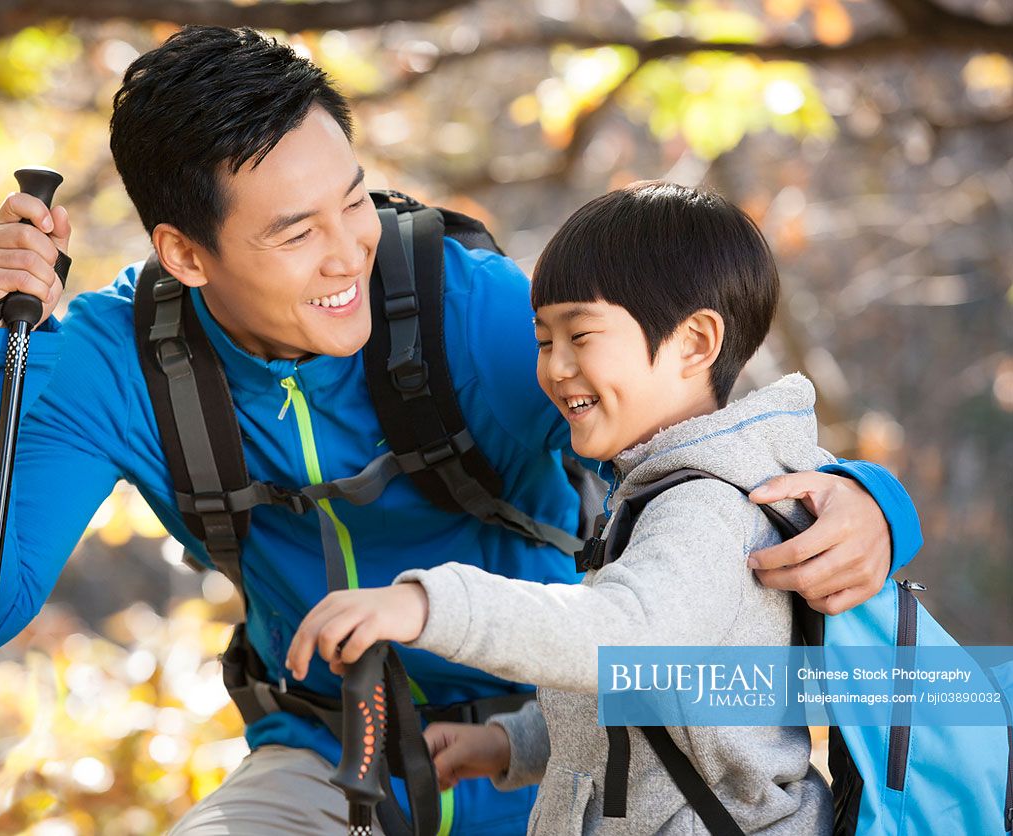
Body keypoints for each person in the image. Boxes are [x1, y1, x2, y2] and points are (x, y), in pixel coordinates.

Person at [0, 27, 921, 835]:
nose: (348, 254)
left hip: (563, 749)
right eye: (296, 234)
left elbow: (690, 431)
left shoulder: (458, 312)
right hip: (334, 757)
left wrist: (874, 503)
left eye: (351, 203)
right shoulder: (113, 363)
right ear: (186, 253)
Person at [286, 182, 842, 834]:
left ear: (694, 343)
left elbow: (618, 634)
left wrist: (425, 605)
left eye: (580, 334)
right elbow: (664, 702)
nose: (553, 368)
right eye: (544, 340)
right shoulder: (664, 491)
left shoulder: (705, 510)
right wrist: (512, 744)